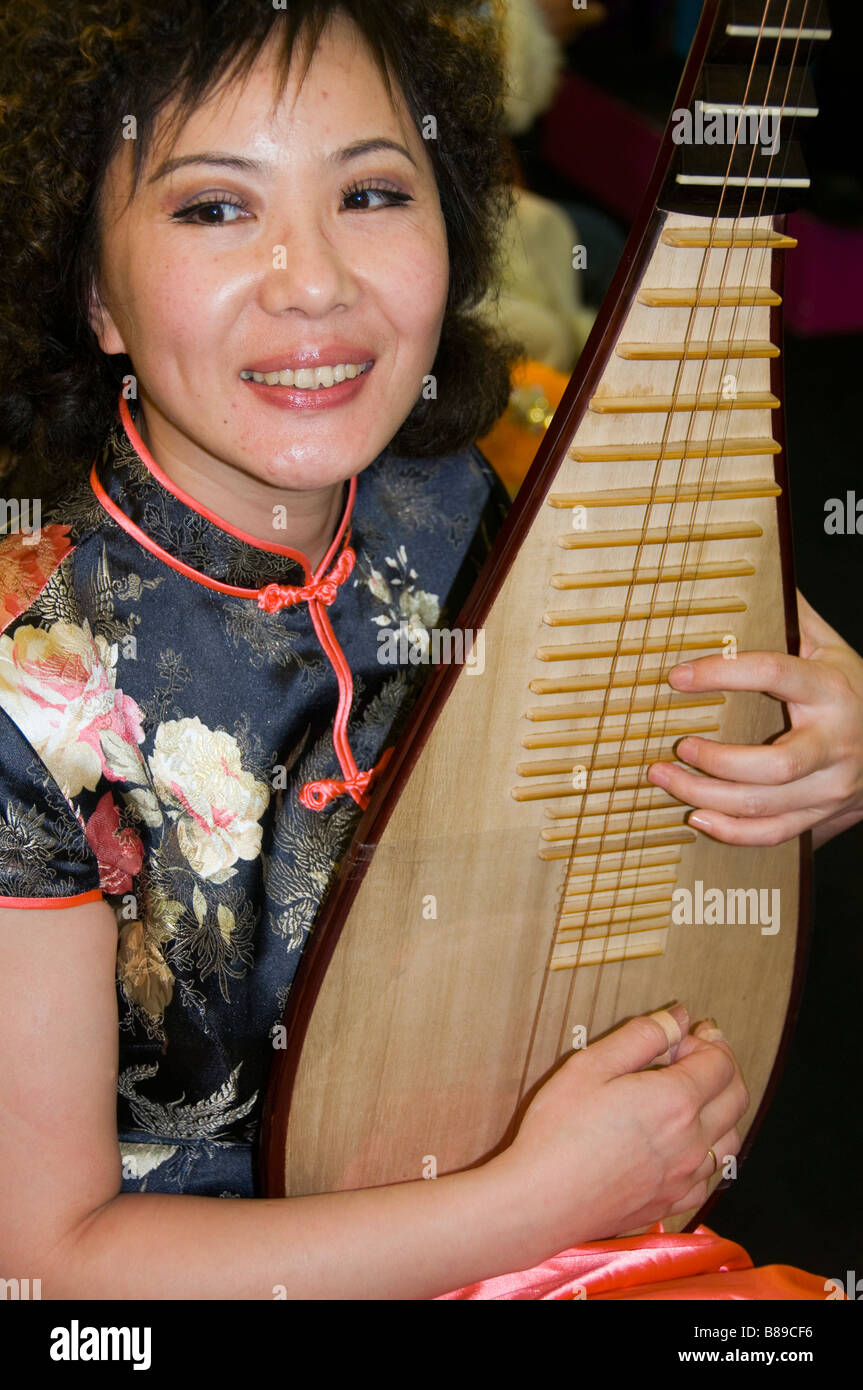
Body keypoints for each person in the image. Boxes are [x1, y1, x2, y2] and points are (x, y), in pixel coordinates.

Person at [0, 0, 854, 1302]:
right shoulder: (31, 678)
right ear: (95, 293)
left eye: (373, 192)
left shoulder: (455, 504)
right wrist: (539, 1199)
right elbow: (51, 1268)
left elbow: (704, 725)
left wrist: (820, 741)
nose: (315, 278)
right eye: (215, 208)